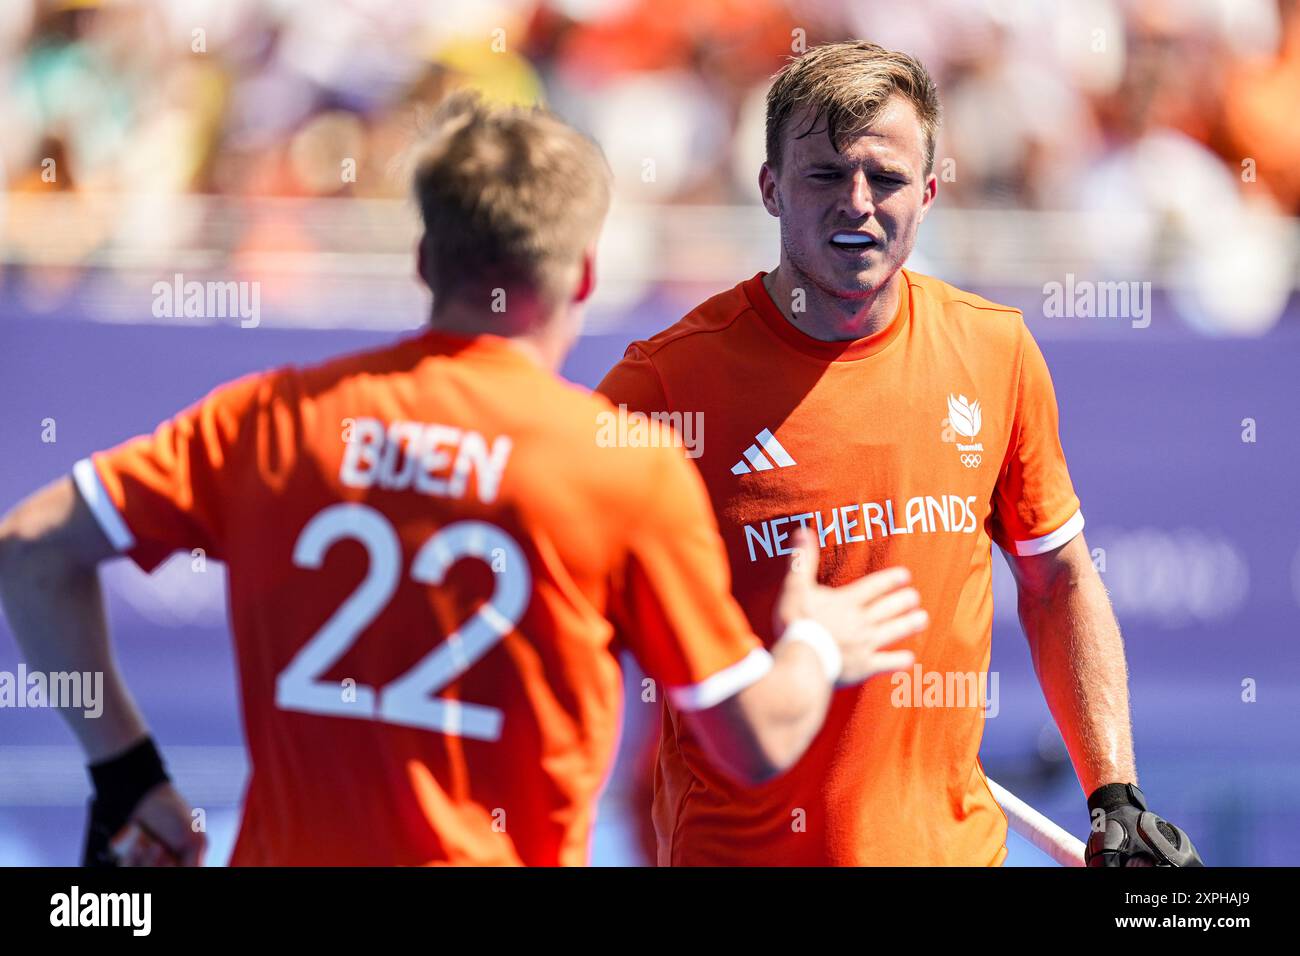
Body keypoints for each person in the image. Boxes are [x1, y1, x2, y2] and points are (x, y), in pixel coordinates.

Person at [0, 92, 930, 867]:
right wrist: (818, 644)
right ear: (584, 274)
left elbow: (30, 550)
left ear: (423, 260)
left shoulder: (270, 418)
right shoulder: (619, 468)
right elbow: (755, 740)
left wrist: (128, 778)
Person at [597, 41, 1202, 867]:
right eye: (824, 175)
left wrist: (1116, 796)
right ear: (770, 188)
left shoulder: (995, 350)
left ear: (928, 191)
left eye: (884, 178)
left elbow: (1058, 579)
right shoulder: (664, 384)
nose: (857, 204)